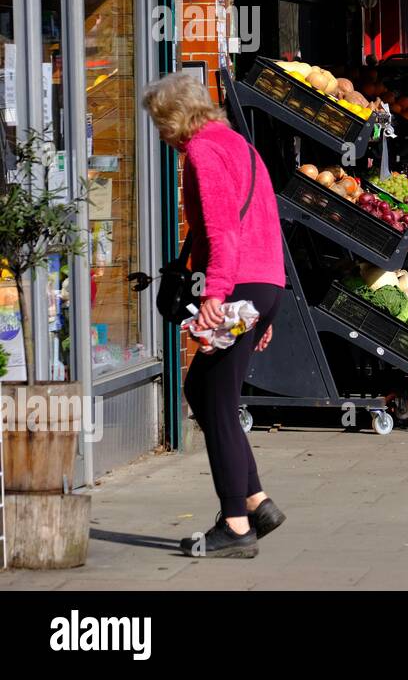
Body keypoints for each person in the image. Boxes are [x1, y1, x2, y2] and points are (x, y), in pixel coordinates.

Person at [143, 73, 287, 559]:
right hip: (264, 285)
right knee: (202, 389)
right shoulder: (243, 147)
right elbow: (266, 223)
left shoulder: (203, 152)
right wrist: (264, 315)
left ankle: (237, 525)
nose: (161, 133)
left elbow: (223, 233)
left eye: (160, 122)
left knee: (217, 400)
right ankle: (256, 501)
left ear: (175, 117)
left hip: (238, 286)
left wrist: (216, 298)